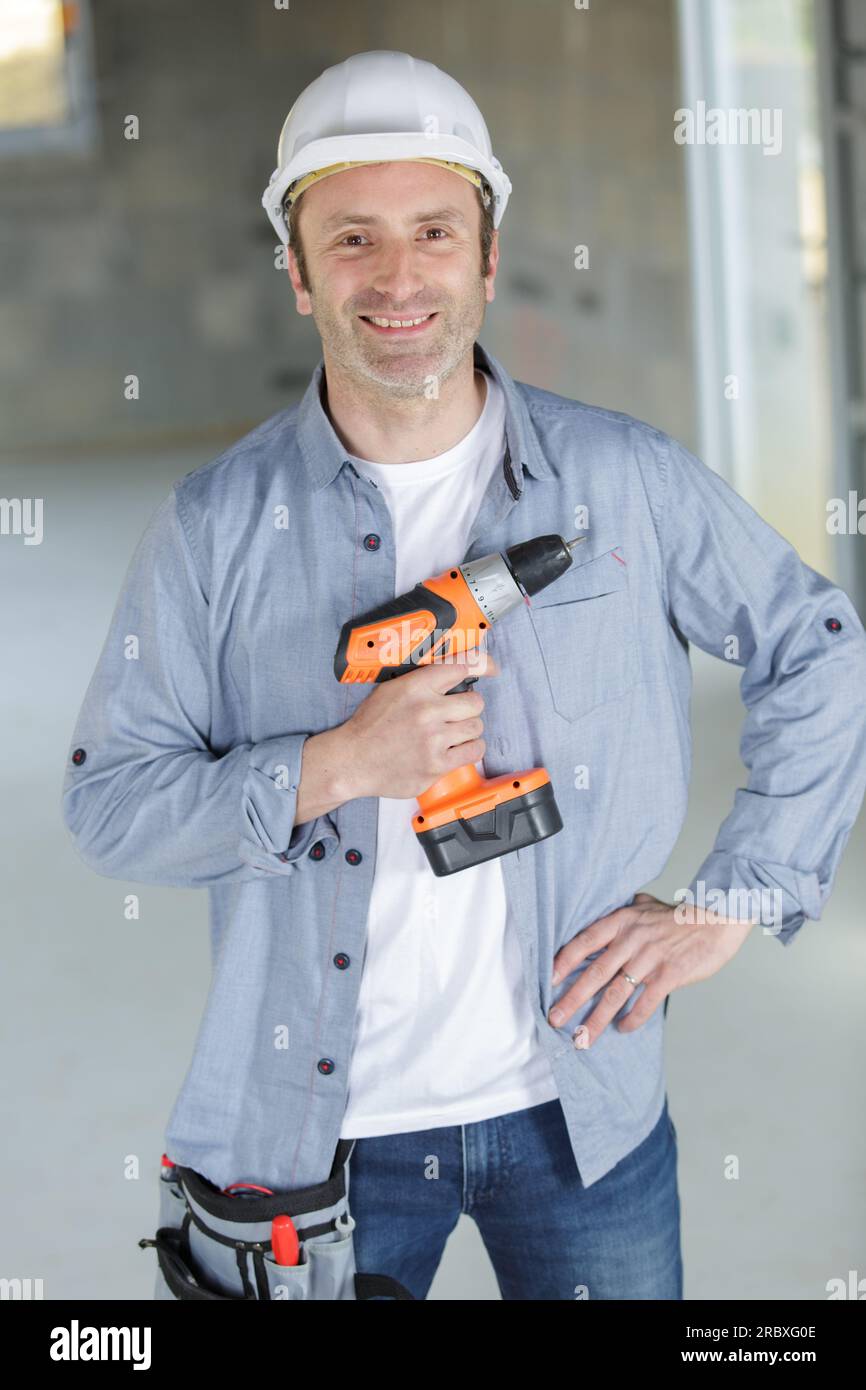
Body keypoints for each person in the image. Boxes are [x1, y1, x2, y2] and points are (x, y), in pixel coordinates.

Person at [63, 50, 866, 1301]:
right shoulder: (212, 525)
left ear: (488, 257)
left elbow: (818, 645)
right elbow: (109, 805)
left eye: (435, 231)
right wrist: (338, 765)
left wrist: (735, 900)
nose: (398, 278)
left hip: (580, 1106)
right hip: (322, 1143)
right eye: (351, 239)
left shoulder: (625, 482)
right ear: (295, 271)